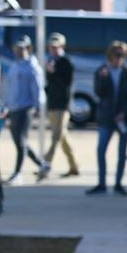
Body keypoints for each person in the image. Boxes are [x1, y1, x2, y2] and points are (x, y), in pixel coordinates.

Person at [89, 40, 127, 196]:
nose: (119, 58)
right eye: (117, 55)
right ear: (110, 55)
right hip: (106, 117)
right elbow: (99, 93)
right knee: (101, 150)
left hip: (123, 118)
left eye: (122, 55)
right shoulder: (101, 71)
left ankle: (118, 183)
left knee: (122, 152)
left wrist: (124, 112)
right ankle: (101, 183)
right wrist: (103, 79)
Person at [0, 36, 48, 184]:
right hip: (14, 108)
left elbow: (38, 88)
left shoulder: (33, 67)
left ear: (28, 49)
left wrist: (38, 107)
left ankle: (17, 173)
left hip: (26, 108)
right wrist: (5, 105)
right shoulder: (15, 66)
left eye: (22, 48)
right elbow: (9, 88)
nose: (19, 51)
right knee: (20, 141)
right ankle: (42, 164)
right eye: (17, 48)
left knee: (21, 140)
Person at [44, 32, 80, 177]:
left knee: (56, 137)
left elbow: (66, 84)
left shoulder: (66, 62)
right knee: (63, 137)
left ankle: (45, 164)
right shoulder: (50, 62)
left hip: (62, 106)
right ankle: (74, 166)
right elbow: (49, 84)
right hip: (52, 104)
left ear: (62, 47)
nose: (53, 50)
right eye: (51, 47)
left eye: (56, 47)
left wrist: (54, 72)